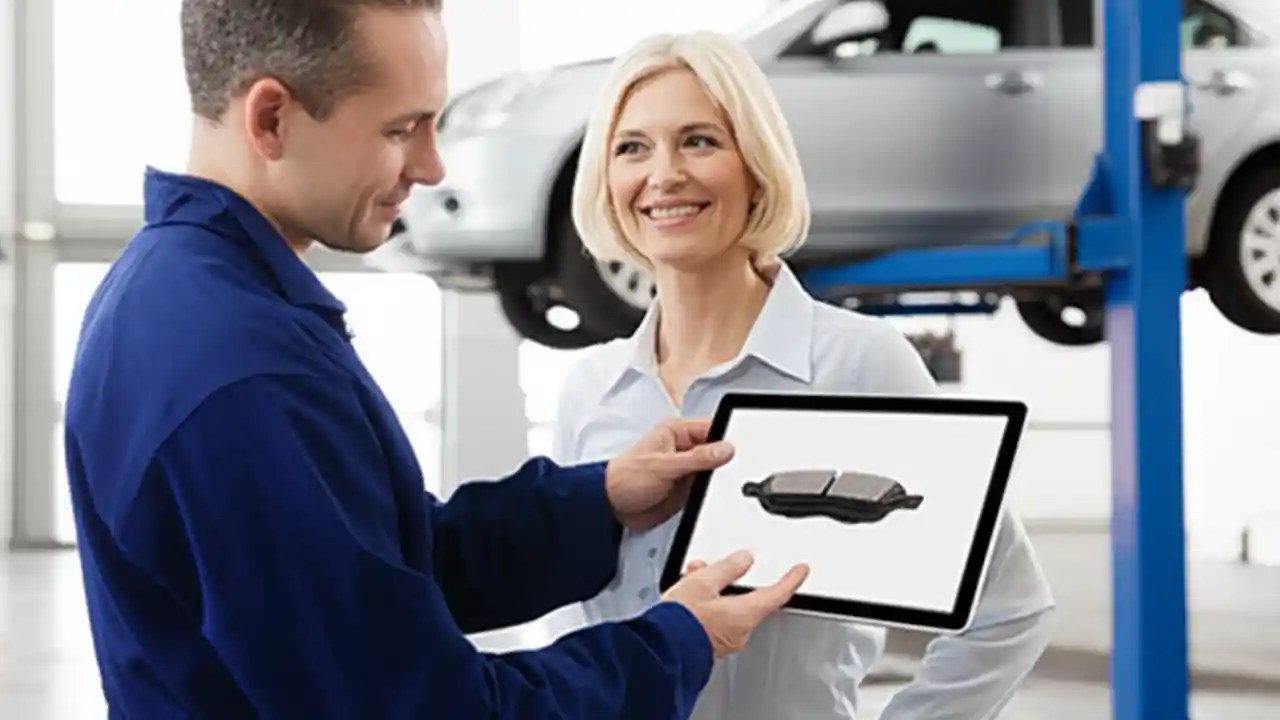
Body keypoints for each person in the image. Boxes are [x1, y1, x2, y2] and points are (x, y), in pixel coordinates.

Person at [61, 3, 810, 718]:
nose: (433, 166)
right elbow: (423, 708)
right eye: (401, 129)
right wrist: (675, 641)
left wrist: (599, 499)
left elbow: (380, 564)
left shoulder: (174, 289)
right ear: (271, 118)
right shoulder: (240, 370)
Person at [551, 31, 1058, 719]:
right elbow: (568, 622)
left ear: (756, 164)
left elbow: (1010, 610)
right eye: (632, 148)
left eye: (699, 141)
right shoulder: (592, 391)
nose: (663, 174)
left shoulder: (857, 365)